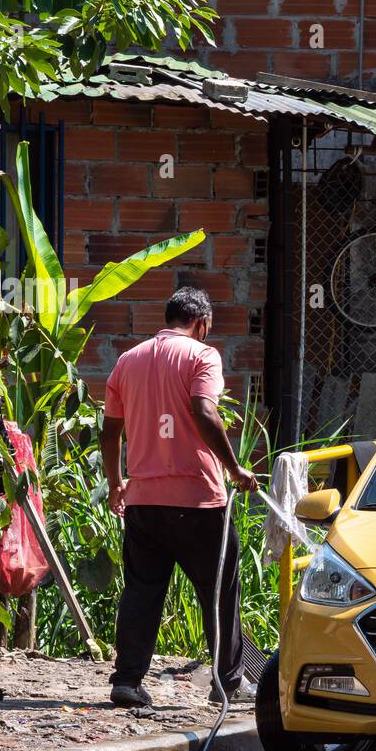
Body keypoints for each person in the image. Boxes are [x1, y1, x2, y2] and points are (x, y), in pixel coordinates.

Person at [100, 287, 259, 709]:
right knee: (220, 591)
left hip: (144, 501)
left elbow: (110, 431)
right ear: (201, 324)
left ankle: (127, 682)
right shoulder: (203, 356)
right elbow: (204, 411)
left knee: (141, 590)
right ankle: (227, 682)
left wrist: (117, 482)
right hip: (198, 500)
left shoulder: (127, 360)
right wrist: (234, 468)